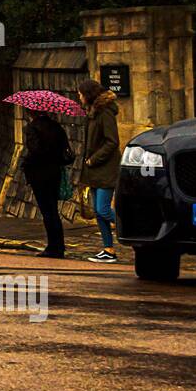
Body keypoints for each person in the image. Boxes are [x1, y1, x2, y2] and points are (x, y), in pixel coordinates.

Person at [77, 78, 120, 264]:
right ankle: (108, 249)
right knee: (97, 210)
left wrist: (94, 159)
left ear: (88, 94)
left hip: (105, 168)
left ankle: (134, 226)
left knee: (103, 208)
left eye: (80, 94)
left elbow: (112, 141)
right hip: (94, 169)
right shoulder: (92, 112)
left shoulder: (105, 113)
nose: (79, 97)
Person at [21, 109, 73, 258]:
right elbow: (65, 150)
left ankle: (53, 247)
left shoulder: (33, 128)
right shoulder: (57, 127)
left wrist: (26, 162)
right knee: (53, 211)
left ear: (31, 112)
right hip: (55, 172)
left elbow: (35, 150)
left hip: (39, 174)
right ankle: (59, 245)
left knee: (47, 212)